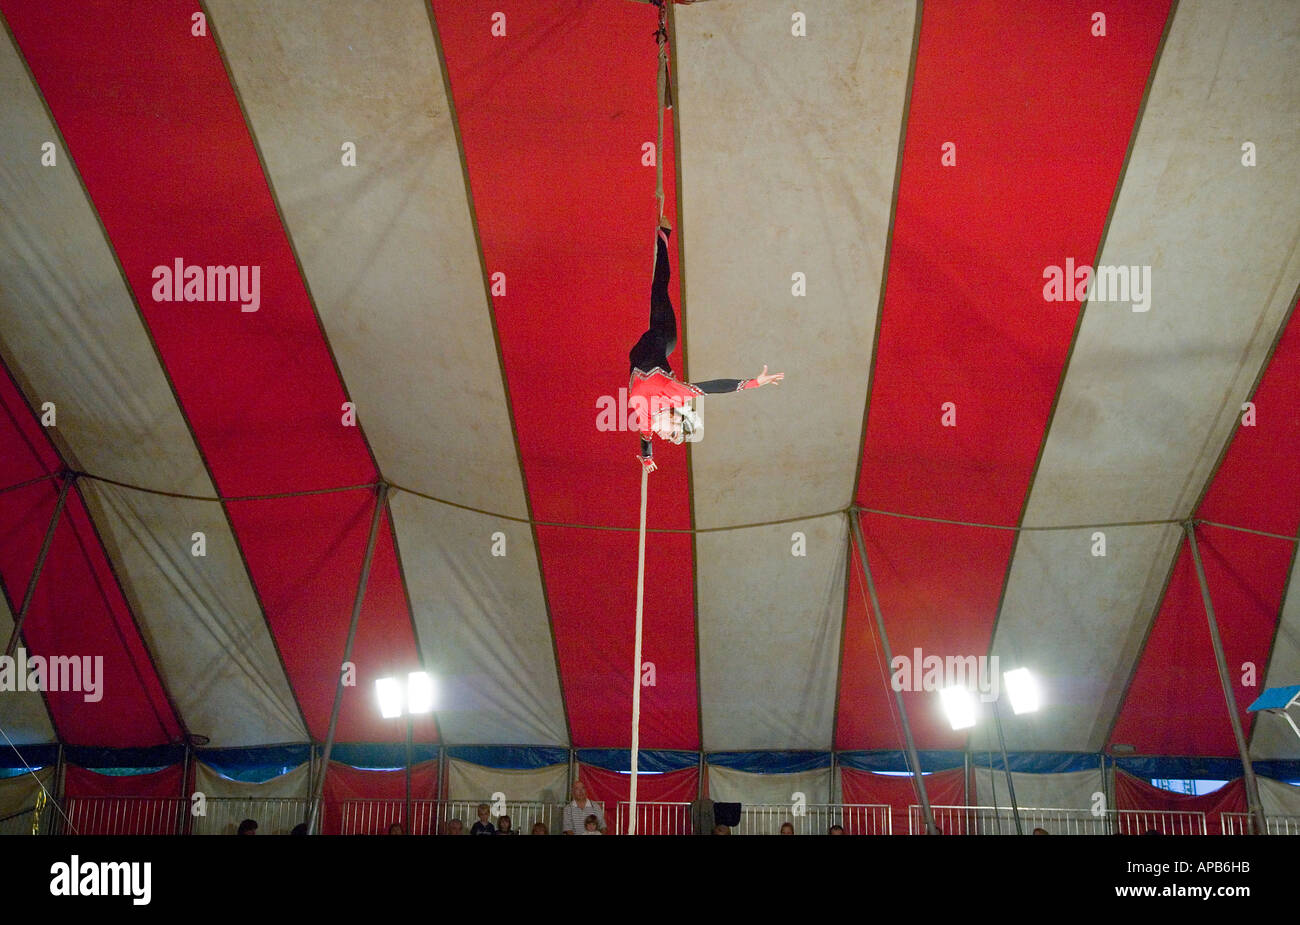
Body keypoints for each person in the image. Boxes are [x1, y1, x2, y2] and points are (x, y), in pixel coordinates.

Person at [629, 216, 783, 473]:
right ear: (673, 416)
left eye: (669, 437)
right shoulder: (673, 394)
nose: (666, 437)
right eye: (672, 433)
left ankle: (663, 239)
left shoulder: (645, 419)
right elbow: (712, 387)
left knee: (655, 298)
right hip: (662, 337)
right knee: (659, 290)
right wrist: (754, 383)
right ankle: (664, 237)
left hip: (644, 348)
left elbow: (646, 439)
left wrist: (647, 458)